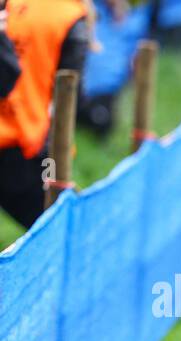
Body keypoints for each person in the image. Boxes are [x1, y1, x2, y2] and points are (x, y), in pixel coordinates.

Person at [0, 0, 90, 229]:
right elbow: (71, 98)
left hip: (18, 139)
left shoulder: (10, 5)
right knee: (60, 233)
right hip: (29, 144)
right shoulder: (69, 14)